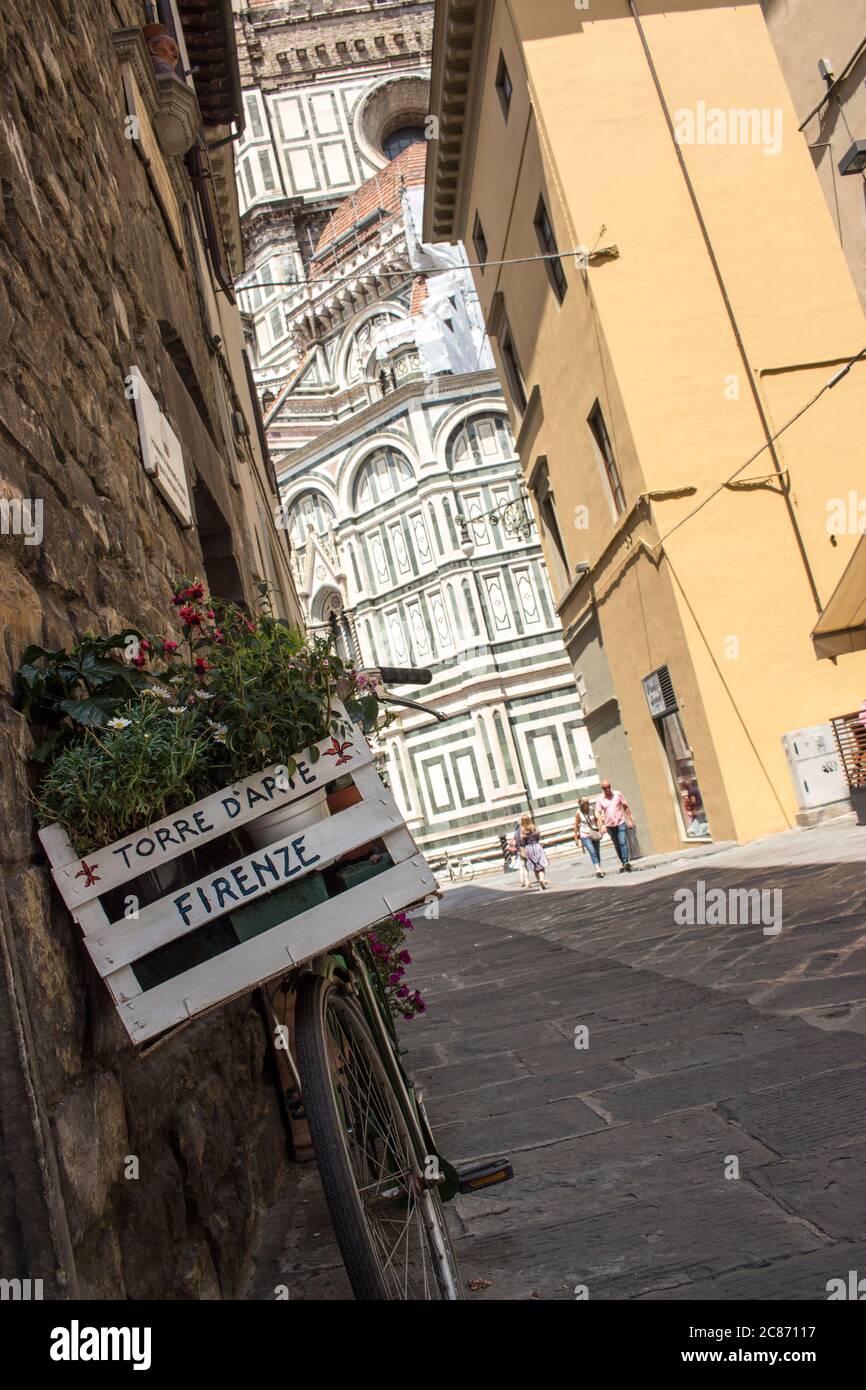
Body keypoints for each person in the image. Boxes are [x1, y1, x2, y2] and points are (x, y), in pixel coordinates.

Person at [595, 778, 634, 872]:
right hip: (609, 825)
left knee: (622, 841)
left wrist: (629, 820)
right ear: (602, 789)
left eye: (609, 787)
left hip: (620, 822)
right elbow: (599, 813)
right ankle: (623, 861)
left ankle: (626, 861)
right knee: (616, 843)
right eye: (605, 788)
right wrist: (601, 826)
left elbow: (625, 807)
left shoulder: (617, 794)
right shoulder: (600, 799)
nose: (608, 789)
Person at [574, 796, 604, 878]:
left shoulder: (592, 809)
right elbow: (576, 826)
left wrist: (600, 826)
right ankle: (597, 869)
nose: (588, 803)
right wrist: (576, 838)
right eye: (586, 803)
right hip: (585, 835)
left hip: (594, 833)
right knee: (592, 851)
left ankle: (599, 868)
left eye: (588, 802)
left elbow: (597, 819)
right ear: (582, 804)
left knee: (597, 851)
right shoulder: (578, 812)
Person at [517, 813, 548, 889]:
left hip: (528, 849)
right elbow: (538, 837)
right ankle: (542, 879)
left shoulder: (522, 831)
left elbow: (522, 843)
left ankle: (540, 882)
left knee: (535, 868)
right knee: (541, 866)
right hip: (537, 847)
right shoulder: (534, 828)